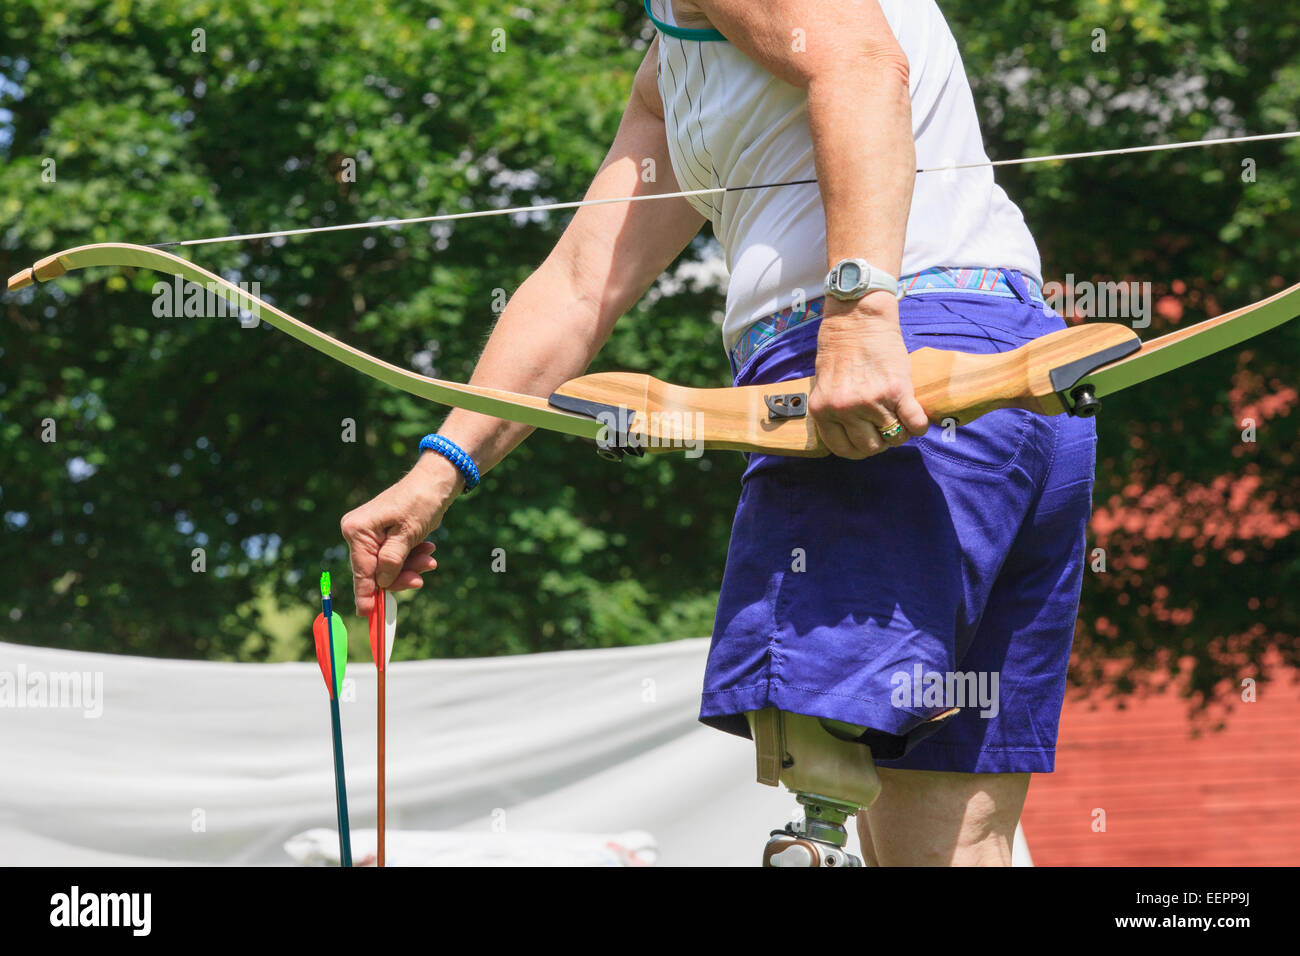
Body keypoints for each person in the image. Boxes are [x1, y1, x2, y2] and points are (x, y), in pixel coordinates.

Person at [341, 0, 1095, 866]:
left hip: (874, 387)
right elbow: (584, 283)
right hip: (1010, 394)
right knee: (950, 842)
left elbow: (859, 64)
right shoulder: (672, 70)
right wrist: (436, 474)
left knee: (826, 798)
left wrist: (856, 317)